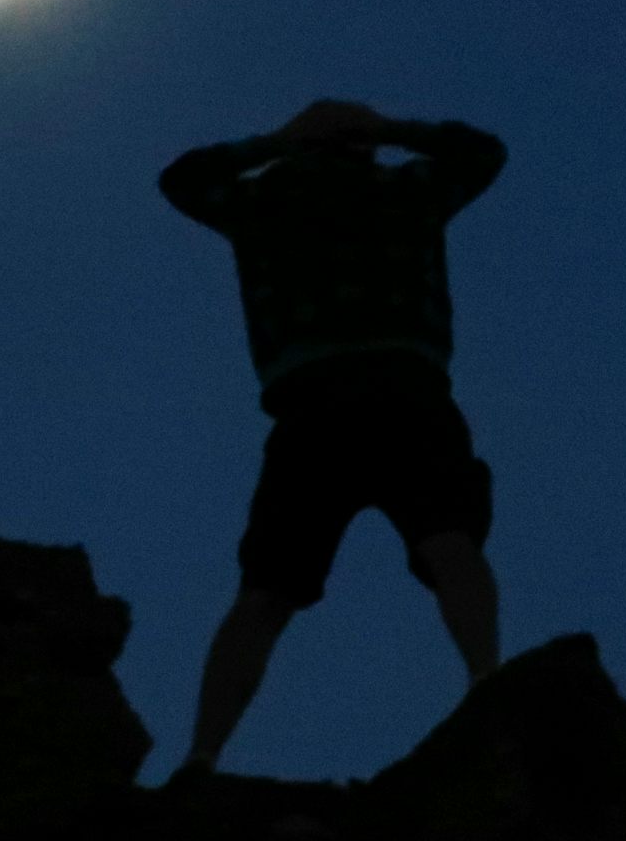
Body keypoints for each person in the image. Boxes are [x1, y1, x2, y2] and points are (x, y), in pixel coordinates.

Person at [160, 99, 507, 775]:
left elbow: (182, 179)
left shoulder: (263, 203)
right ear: (365, 147)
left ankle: (203, 754)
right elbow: (483, 153)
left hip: (311, 411)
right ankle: (487, 680)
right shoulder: (406, 190)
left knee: (264, 592)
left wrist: (271, 141)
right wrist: (397, 129)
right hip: (406, 393)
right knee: (449, 542)